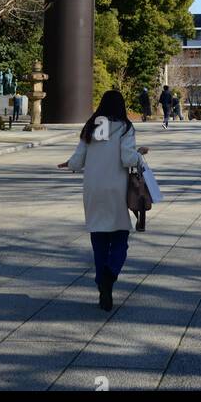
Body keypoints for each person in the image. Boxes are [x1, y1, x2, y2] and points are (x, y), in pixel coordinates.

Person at [58, 90, 149, 312]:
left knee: (98, 238)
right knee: (120, 237)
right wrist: (140, 154)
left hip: (93, 188)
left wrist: (68, 164)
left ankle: (102, 283)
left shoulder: (91, 126)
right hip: (115, 188)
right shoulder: (125, 127)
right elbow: (127, 158)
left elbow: (78, 160)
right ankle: (110, 274)